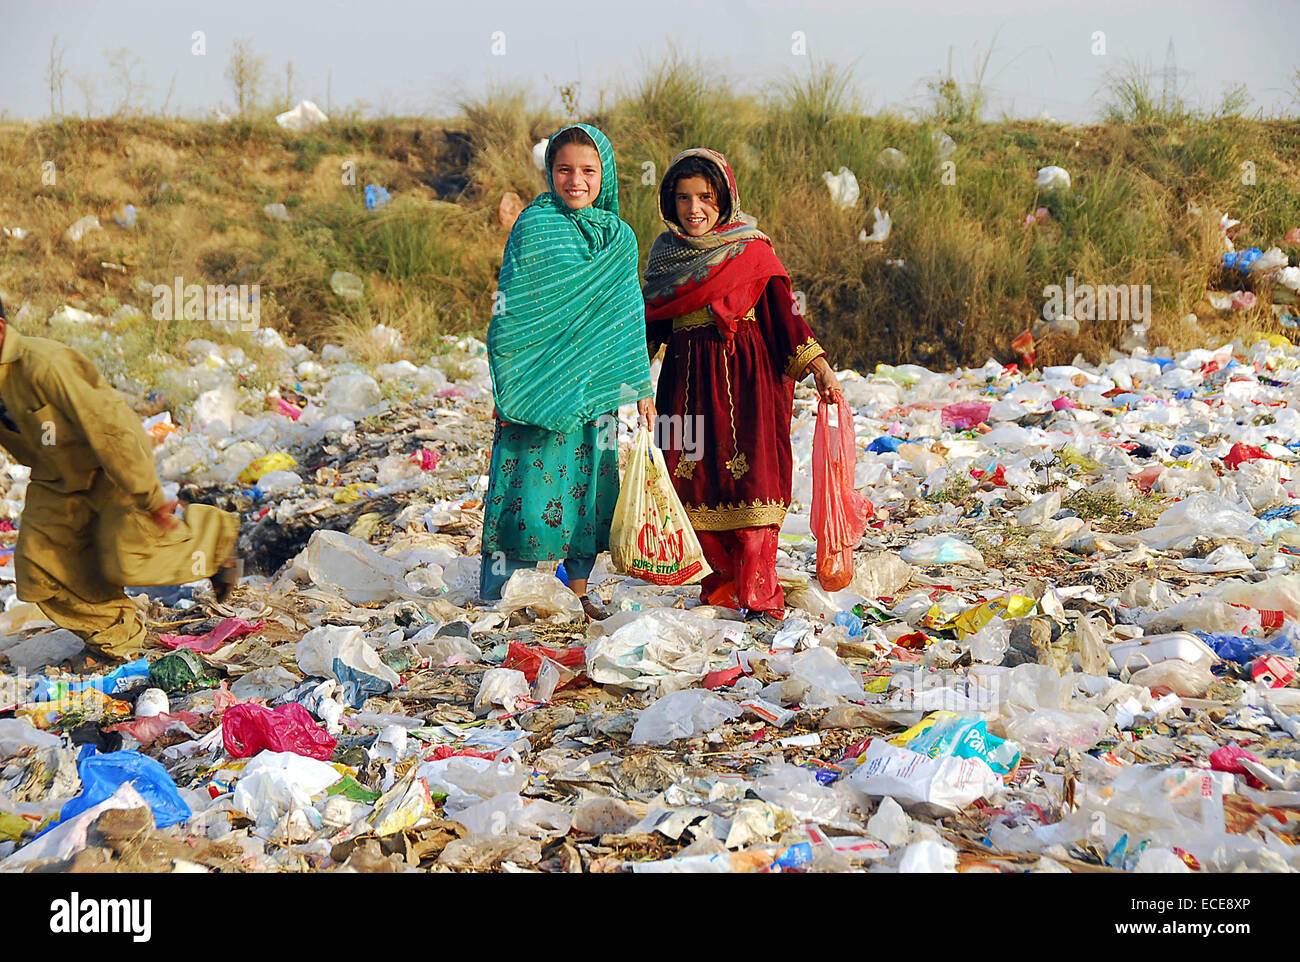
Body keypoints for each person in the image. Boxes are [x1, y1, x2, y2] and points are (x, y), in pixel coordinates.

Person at [643, 148, 842, 627]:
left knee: (753, 489)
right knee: (688, 486)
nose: (695, 210)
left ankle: (759, 594)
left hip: (749, 390)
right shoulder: (664, 260)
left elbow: (785, 316)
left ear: (725, 198)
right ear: (669, 203)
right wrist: (632, 386)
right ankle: (722, 589)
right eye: (684, 198)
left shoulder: (753, 251)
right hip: (684, 390)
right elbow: (647, 328)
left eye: (706, 198)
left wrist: (820, 367)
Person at [0, 297, 241, 663]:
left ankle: (215, 537)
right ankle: (121, 635)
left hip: (105, 468)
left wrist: (148, 495)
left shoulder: (44, 364)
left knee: (130, 558)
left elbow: (111, 426)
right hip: (55, 481)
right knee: (38, 573)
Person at [481, 123, 655, 620]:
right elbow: (512, 313)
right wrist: (511, 379)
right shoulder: (534, 227)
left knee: (588, 482)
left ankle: (578, 588)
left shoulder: (619, 239)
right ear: (549, 173)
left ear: (607, 174)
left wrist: (640, 387)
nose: (575, 180)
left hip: (595, 387)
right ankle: (507, 593)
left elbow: (626, 315)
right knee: (526, 483)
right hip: (537, 384)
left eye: (587, 170)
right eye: (564, 170)